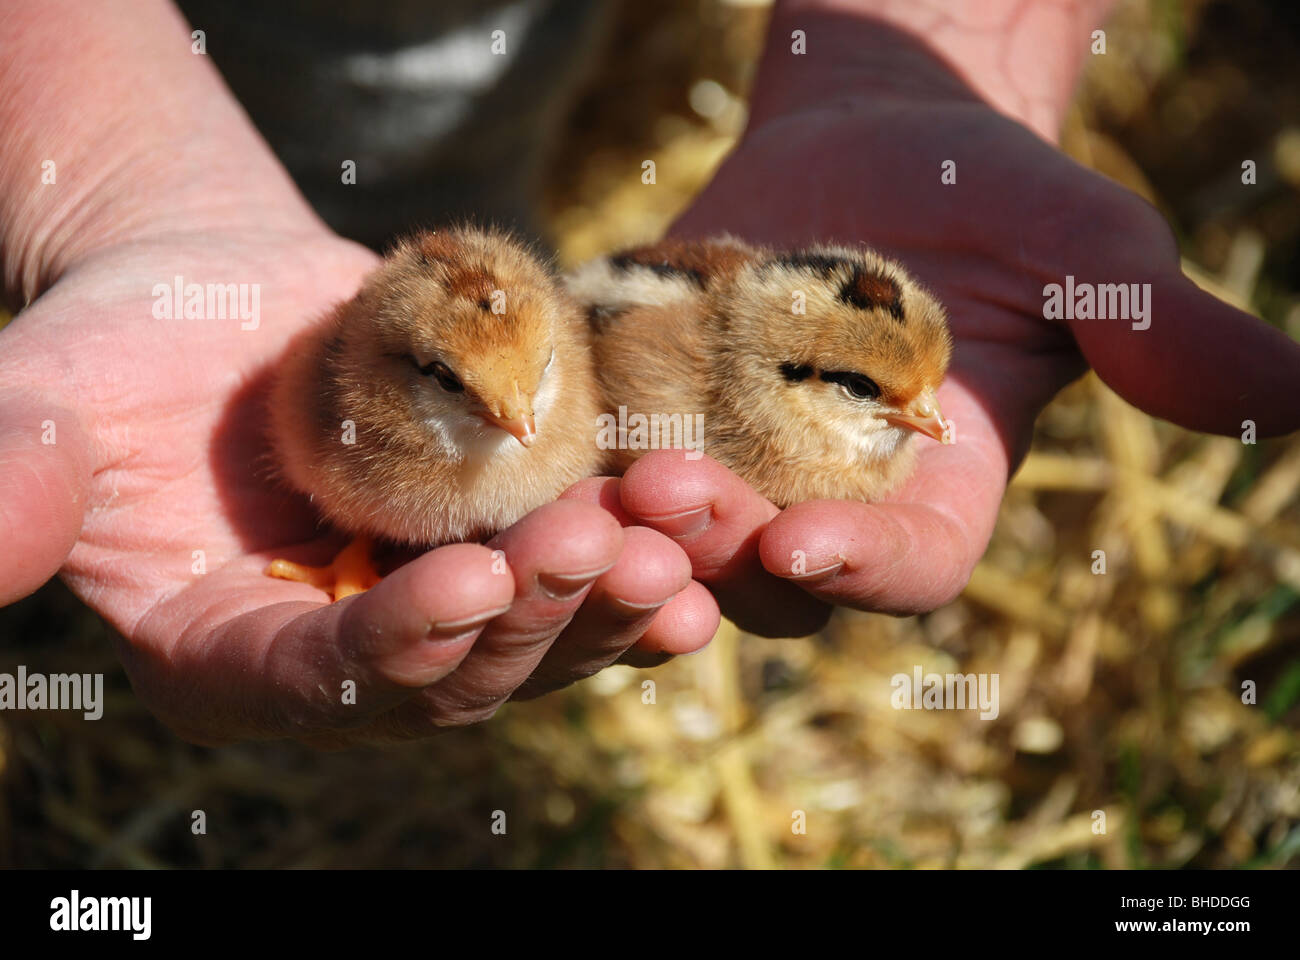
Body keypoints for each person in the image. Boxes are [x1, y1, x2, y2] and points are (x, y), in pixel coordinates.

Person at [1, 0, 1296, 746]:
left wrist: (897, 49)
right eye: (488, 397)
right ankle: (361, 163)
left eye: (541, 400)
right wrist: (125, 179)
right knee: (365, 61)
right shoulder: (386, 389)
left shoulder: (582, 385)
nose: (526, 425)